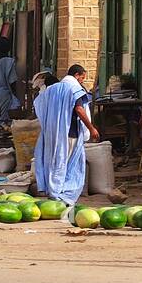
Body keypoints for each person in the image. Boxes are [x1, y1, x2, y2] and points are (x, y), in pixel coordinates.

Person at [32, 65, 98, 206]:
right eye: (82, 78)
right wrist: (91, 128)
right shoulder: (74, 89)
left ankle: (54, 192)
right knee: (64, 163)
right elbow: (79, 109)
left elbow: (39, 105)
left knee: (54, 162)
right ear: (76, 75)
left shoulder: (51, 89)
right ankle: (59, 196)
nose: (82, 81)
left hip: (51, 133)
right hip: (69, 133)